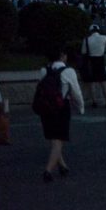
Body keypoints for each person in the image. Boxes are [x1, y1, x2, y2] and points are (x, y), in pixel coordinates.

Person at [37, 47, 85, 183]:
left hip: (46, 107)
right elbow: (76, 92)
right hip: (61, 107)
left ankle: (63, 166)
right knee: (59, 139)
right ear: (62, 55)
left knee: (53, 137)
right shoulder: (68, 71)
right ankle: (48, 170)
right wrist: (80, 107)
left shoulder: (44, 70)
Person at [80, 24, 106, 108]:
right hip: (100, 60)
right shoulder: (104, 37)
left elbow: (83, 52)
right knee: (104, 82)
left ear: (90, 31)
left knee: (92, 82)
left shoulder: (86, 39)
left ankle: (94, 102)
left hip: (91, 62)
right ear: (98, 30)